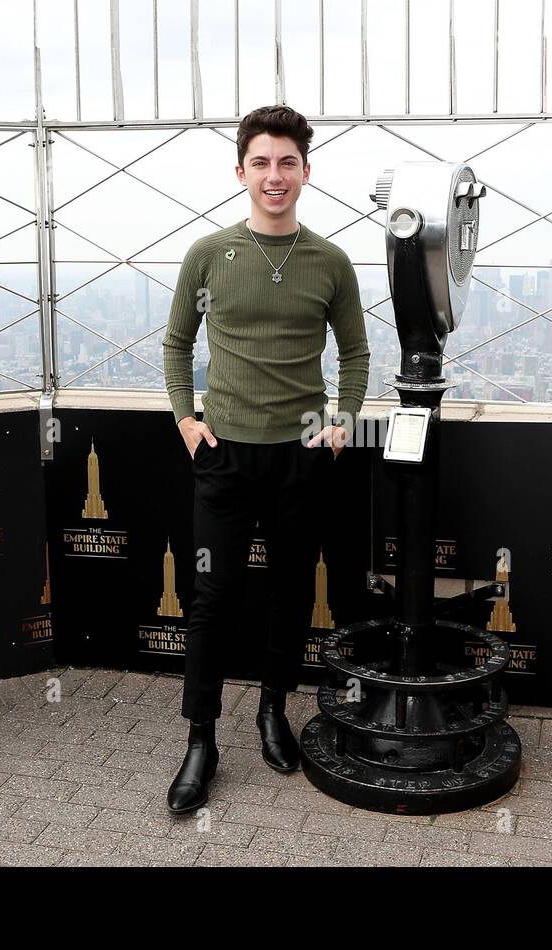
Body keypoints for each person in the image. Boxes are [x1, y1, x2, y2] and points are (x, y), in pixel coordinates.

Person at [160, 104, 371, 813]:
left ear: (306, 171)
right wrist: (187, 419)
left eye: (287, 162)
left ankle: (272, 711)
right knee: (212, 599)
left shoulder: (329, 260)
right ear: (241, 171)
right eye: (261, 162)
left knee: (288, 591)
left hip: (299, 460)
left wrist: (342, 419)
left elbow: (356, 352)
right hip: (223, 459)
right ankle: (201, 741)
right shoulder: (209, 254)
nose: (274, 176)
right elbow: (174, 343)